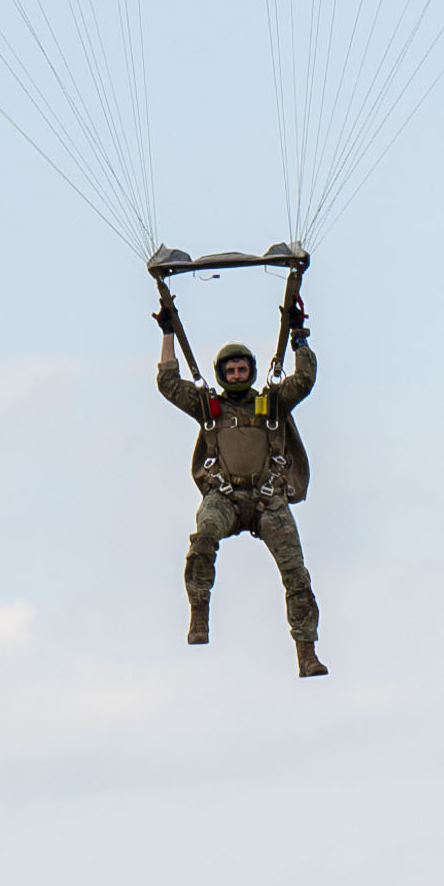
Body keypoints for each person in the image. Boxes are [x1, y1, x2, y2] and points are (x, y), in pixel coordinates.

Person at [153, 264, 324, 675]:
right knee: (203, 538)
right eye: (230, 371)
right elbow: (169, 383)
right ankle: (199, 614)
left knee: (296, 574)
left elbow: (304, 378)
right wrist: (168, 333)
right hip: (225, 498)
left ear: (251, 371)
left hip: (268, 501)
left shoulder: (271, 403)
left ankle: (306, 653)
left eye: (241, 369)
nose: (236, 375)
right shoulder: (210, 408)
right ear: (221, 374)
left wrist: (299, 335)